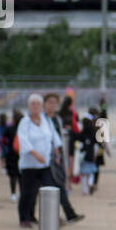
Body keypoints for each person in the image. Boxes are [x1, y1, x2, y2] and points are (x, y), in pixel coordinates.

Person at [16, 94, 61, 228]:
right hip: (29, 164)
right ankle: (24, 217)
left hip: (44, 163)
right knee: (27, 191)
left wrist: (57, 151)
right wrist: (35, 154)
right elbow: (23, 140)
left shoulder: (46, 120)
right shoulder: (25, 122)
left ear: (41, 106)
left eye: (37, 104)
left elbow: (54, 136)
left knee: (48, 187)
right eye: (32, 104)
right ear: (29, 106)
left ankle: (46, 216)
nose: (35, 106)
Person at [43, 93, 83, 223]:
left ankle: (68, 214)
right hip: (43, 159)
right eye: (50, 102)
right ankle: (43, 217)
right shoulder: (41, 119)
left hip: (57, 158)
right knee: (42, 189)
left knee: (58, 186)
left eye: (55, 102)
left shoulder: (57, 119)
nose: (53, 105)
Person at [3, 111, 22, 202]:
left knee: (13, 176)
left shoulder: (9, 129)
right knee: (21, 176)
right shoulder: (24, 129)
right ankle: (22, 193)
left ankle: (13, 193)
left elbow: (3, 140)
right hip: (22, 155)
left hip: (11, 155)